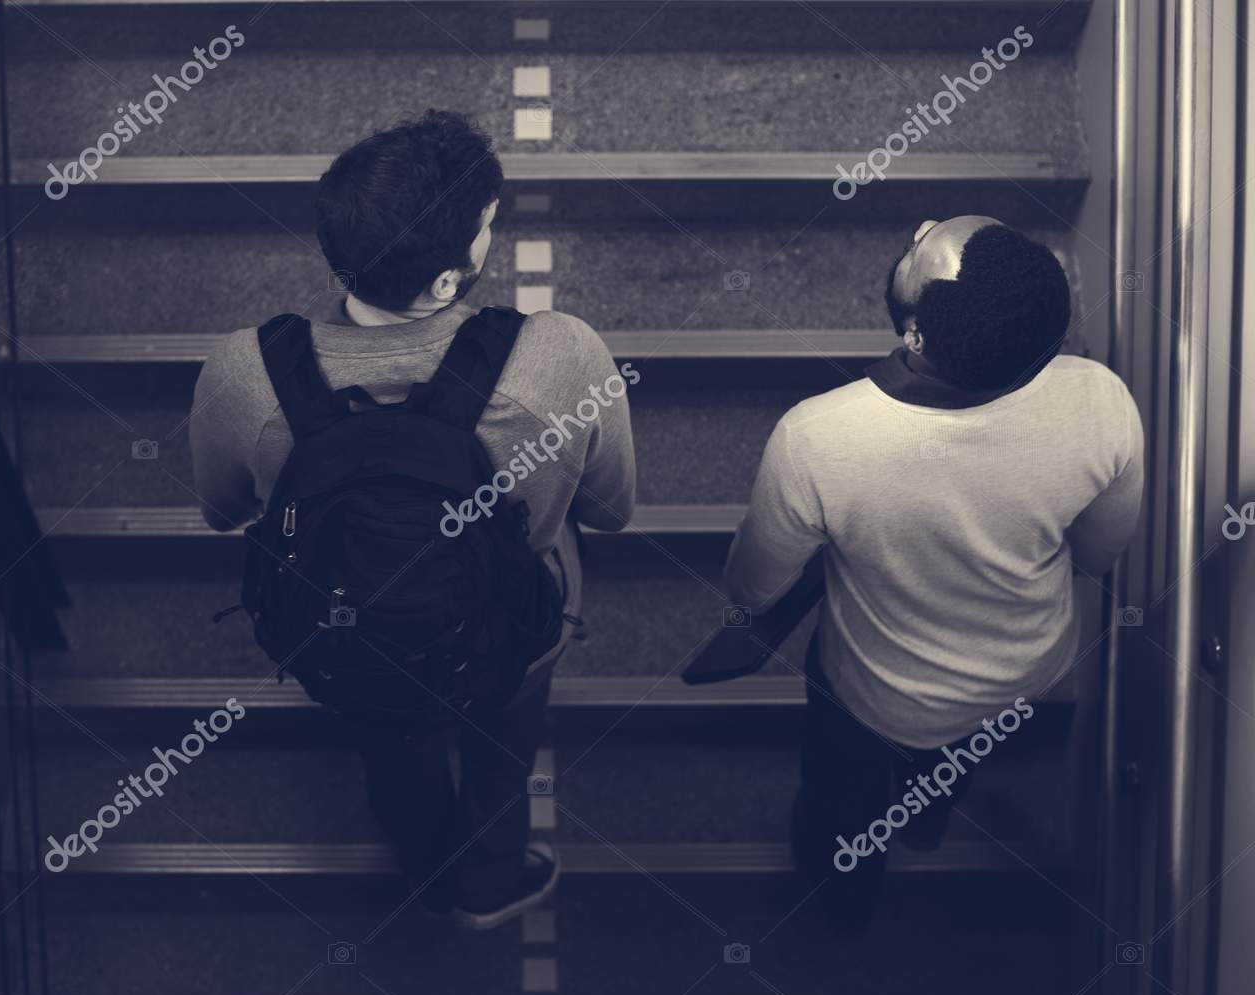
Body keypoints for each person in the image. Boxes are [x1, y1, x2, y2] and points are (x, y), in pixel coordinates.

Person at [191, 111, 636, 929]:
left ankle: (424, 859)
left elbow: (226, 511)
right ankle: (489, 875)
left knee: (392, 741)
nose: (490, 240)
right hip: (512, 625)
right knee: (503, 746)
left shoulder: (244, 374)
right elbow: (611, 510)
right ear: (444, 282)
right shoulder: (564, 357)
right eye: (486, 230)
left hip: (348, 629)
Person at [722, 216, 1144, 930]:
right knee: (955, 751)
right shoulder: (1102, 400)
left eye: (921, 248)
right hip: (1019, 672)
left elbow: (752, 588)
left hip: (873, 689)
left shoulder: (819, 436)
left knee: (840, 794)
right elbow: (1096, 559)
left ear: (915, 335)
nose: (917, 228)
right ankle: (926, 815)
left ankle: (843, 896)